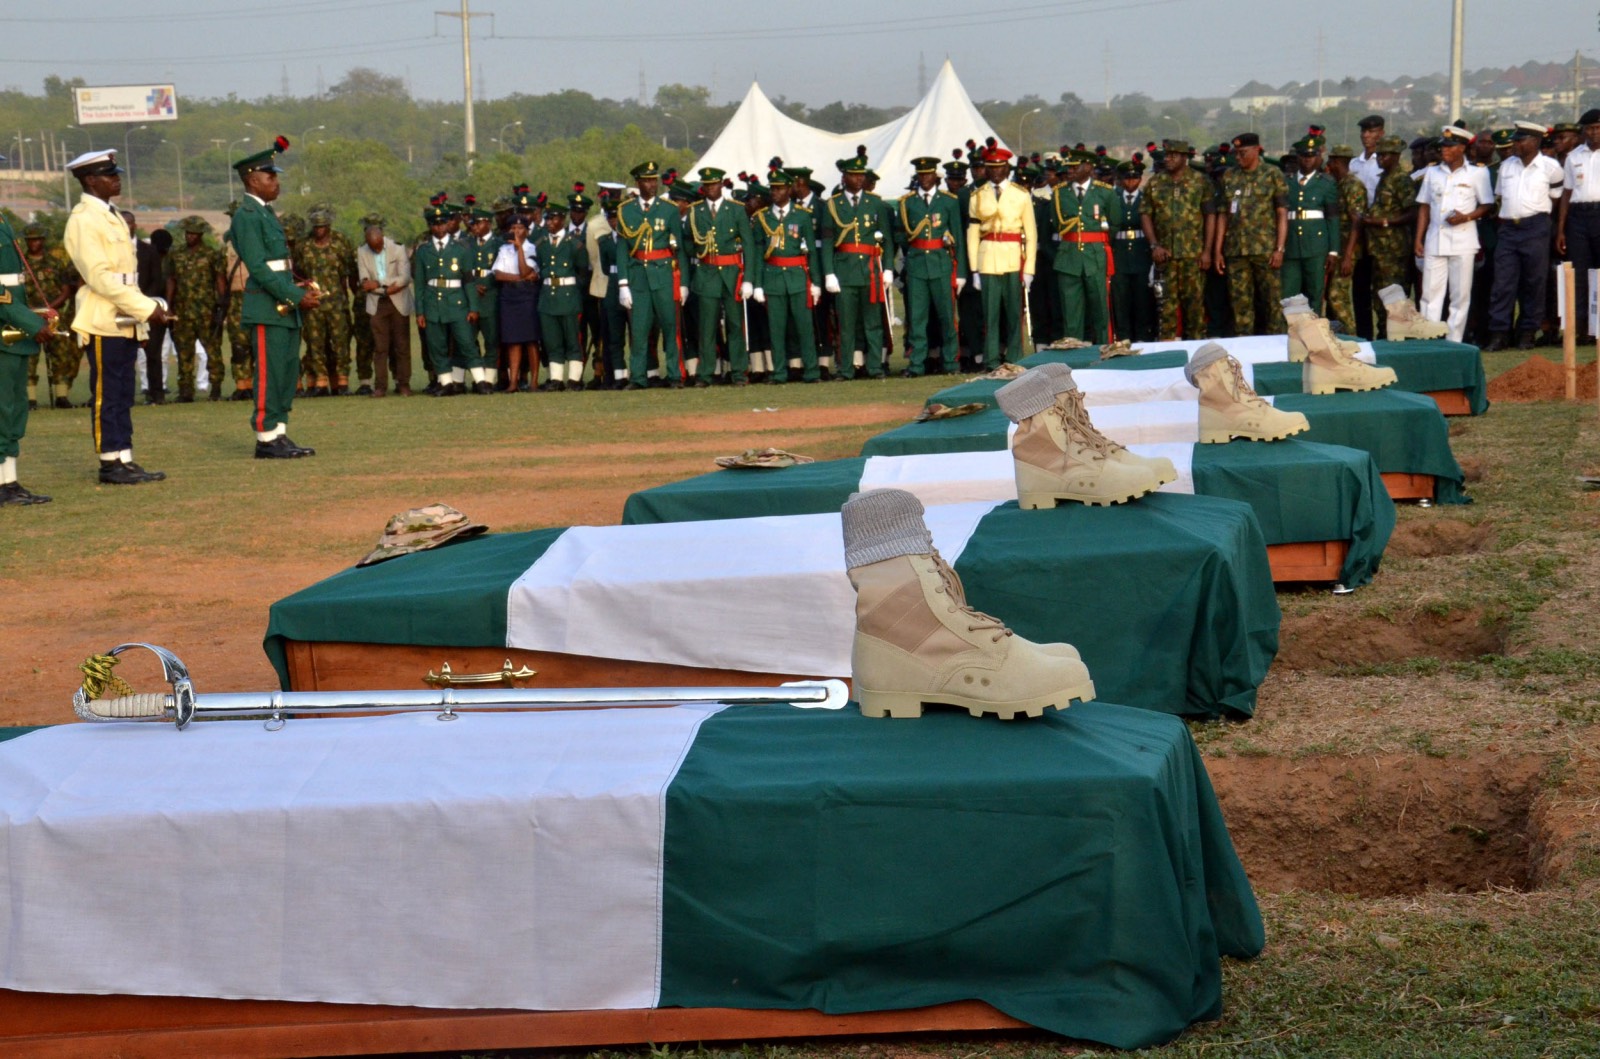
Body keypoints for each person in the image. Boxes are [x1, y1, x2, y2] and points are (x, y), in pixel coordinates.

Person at [62, 149, 170, 484]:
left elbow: (128, 275)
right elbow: (100, 277)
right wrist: (145, 308)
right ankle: (109, 461)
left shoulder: (111, 216)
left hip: (125, 313)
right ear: (90, 180)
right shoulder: (83, 219)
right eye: (109, 175)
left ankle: (124, 456)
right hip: (103, 316)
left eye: (116, 173)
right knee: (107, 393)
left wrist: (145, 306)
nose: (116, 179)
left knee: (124, 391)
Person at [231, 136, 321, 457]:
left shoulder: (266, 213)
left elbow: (280, 264)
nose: (276, 182)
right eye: (271, 176)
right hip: (267, 306)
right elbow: (258, 266)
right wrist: (295, 296)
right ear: (253, 180)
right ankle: (266, 438)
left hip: (283, 303)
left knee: (286, 370)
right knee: (269, 373)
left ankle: (279, 433)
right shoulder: (247, 216)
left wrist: (299, 287)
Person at [1485, 122, 1565, 351]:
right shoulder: (1507, 166)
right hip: (1509, 228)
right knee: (1503, 283)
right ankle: (1499, 333)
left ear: (1535, 142)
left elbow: (1556, 197)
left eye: (1521, 140)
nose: (1516, 144)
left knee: (1534, 282)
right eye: (1516, 140)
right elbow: (1499, 194)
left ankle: (1527, 332)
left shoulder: (1550, 167)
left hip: (1535, 226)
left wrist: (1540, 218)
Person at [1413, 125, 1494, 343]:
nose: (1444, 151)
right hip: (1435, 239)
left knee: (1459, 296)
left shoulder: (1477, 172)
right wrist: (1418, 238)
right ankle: (1429, 339)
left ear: (1461, 148)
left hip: (1463, 240)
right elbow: (1424, 206)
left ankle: (1454, 340)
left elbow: (1487, 204)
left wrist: (1466, 217)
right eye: (1443, 147)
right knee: (1430, 294)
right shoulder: (1432, 172)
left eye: (1449, 147)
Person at [616, 160, 689, 389]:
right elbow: (622, 248)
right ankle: (638, 377)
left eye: (654, 180)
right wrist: (623, 283)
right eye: (647, 181)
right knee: (639, 330)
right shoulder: (626, 210)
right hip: (638, 275)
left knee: (670, 326)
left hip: (664, 274)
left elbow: (680, 250)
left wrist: (683, 282)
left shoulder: (669, 210)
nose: (652, 185)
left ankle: (675, 375)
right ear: (638, 183)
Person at [820, 150, 893, 379]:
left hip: (870, 270)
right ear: (844, 177)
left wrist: (888, 268)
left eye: (861, 175)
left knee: (873, 323)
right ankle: (846, 368)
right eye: (853, 174)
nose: (859, 179)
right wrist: (829, 274)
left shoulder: (875, 203)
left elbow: (887, 239)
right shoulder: (833, 204)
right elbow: (828, 241)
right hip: (844, 270)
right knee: (847, 324)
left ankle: (874, 367)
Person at [0, 211, 56, 504]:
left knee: (15, 409)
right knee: (2, 410)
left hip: (13, 328)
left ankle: (8, 482)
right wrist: (31, 323)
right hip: (6, 325)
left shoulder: (2, 221)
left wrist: (32, 316)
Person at [893, 156, 965, 377]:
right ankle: (917, 364)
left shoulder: (948, 201)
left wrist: (960, 273)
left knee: (946, 316)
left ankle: (951, 362)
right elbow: (900, 233)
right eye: (921, 175)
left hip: (941, 264)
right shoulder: (907, 203)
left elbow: (958, 237)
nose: (925, 178)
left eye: (928, 174)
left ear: (936, 176)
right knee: (917, 318)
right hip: (916, 266)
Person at [967, 145, 1036, 367]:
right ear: (986, 170)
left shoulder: (1021, 194)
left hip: (1014, 257)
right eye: (991, 168)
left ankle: (1015, 356)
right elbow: (973, 234)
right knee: (990, 313)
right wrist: (974, 269)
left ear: (1007, 169)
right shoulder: (978, 196)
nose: (996, 172)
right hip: (987, 258)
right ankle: (991, 358)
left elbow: (1031, 234)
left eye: (1000, 168)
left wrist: (1029, 269)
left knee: (1014, 312)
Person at [750, 169, 822, 384]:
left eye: (780, 188)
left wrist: (816, 282)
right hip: (772, 277)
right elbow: (757, 253)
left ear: (789, 190)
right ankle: (779, 372)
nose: (775, 192)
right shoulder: (762, 217)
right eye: (772, 188)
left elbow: (811, 251)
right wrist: (758, 284)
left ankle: (811, 371)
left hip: (798, 277)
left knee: (804, 328)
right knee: (776, 329)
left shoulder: (801, 216)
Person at [687, 166, 755, 387]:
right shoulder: (695, 211)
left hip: (732, 274)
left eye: (714, 184)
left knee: (736, 325)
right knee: (707, 327)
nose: (711, 189)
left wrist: (748, 279)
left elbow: (749, 246)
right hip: (707, 274)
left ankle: (738, 372)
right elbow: (688, 241)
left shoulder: (736, 210)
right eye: (707, 185)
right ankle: (705, 374)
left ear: (721, 185)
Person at [1215, 132, 1289, 334]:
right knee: (1240, 305)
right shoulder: (1230, 176)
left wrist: (1280, 248)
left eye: (1243, 153)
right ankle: (1244, 348)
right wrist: (1217, 251)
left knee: (1272, 303)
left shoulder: (1273, 174)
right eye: (1236, 154)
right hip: (1235, 250)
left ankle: (1278, 345)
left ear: (1257, 150)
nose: (1238, 158)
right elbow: (1223, 215)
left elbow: (1282, 213)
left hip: (1265, 250)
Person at [1140, 139, 1211, 339]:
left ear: (1184, 157)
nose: (1168, 159)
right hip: (1166, 257)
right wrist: (1154, 245)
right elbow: (1145, 214)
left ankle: (1197, 357)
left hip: (1193, 257)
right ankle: (1168, 357)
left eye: (1173, 155)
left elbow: (1210, 215)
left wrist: (1207, 251)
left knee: (1195, 311)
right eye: (1167, 155)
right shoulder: (1155, 182)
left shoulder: (1200, 181)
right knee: (1166, 312)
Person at [413, 201, 481, 394]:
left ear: (448, 224)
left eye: (442, 223)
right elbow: (419, 284)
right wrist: (420, 311)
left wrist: (473, 307)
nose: (439, 227)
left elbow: (468, 281)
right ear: (430, 226)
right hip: (433, 302)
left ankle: (482, 381)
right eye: (434, 224)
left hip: (457, 301)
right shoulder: (424, 251)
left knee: (466, 342)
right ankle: (446, 383)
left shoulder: (460, 248)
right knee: (437, 345)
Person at [1050, 149, 1118, 343]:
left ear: (1088, 167)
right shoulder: (1060, 192)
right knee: (1071, 312)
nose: (1069, 171)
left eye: (1075, 167)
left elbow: (1114, 223)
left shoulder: (1105, 192)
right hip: (1069, 257)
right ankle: (1074, 355)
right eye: (1069, 167)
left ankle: (1103, 350)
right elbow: (1057, 223)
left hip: (1095, 257)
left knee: (1100, 311)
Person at [162, 216, 226, 402]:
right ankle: (186, 390)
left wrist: (221, 306)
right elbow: (171, 280)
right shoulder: (176, 254)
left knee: (212, 350)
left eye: (194, 234)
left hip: (207, 310)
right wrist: (168, 306)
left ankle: (216, 387)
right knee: (184, 352)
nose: (190, 237)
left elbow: (220, 280)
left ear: (201, 235)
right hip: (183, 311)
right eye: (188, 233)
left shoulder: (212, 254)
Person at [294, 207, 355, 396]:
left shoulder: (340, 242)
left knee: (340, 343)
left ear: (329, 226)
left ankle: (342, 381)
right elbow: (298, 272)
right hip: (313, 304)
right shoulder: (303, 245)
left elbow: (349, 271)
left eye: (323, 226)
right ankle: (321, 381)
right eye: (316, 227)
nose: (319, 230)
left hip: (336, 302)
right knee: (315, 343)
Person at [20, 223, 80, 409]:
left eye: (37, 239)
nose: (34, 243)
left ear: (43, 240)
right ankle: (30, 399)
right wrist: (28, 311)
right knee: (29, 357)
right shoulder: (19, 263)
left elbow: (65, 291)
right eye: (30, 240)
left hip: (54, 317)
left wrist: (49, 309)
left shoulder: (55, 263)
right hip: (26, 316)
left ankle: (62, 396)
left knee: (61, 356)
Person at [1363, 136, 1419, 333]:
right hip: (1378, 249)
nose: (1380, 159)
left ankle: (1397, 333)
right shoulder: (1384, 178)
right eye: (1378, 155)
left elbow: (1412, 212)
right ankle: (1384, 331)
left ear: (1395, 156)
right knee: (1379, 293)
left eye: (1384, 155)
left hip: (1394, 249)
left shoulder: (1401, 179)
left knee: (1394, 294)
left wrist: (1383, 222)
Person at [1280, 138, 1341, 317]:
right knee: (1289, 294)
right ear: (1297, 157)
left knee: (1314, 293)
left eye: (1311, 156)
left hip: (1316, 245)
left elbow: (1332, 218)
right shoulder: (1286, 181)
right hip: (1291, 245)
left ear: (1318, 157)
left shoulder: (1326, 183)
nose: (1307, 160)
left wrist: (1333, 251)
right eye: (1303, 156)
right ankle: (1290, 331)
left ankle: (1315, 332)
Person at [355, 215, 413, 397]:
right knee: (380, 348)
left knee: (402, 345)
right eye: (373, 247)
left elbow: (404, 278)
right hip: (377, 303)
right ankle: (380, 386)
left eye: (379, 246)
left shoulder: (398, 248)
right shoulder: (362, 251)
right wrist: (386, 288)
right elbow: (364, 283)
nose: (376, 249)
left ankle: (403, 384)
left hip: (398, 302)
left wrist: (379, 283)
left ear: (383, 239)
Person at [1557, 109, 1600, 344]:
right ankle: (1582, 330)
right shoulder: (1575, 156)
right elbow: (1566, 193)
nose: (1593, 133)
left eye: (1597, 128)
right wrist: (1561, 229)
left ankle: (1599, 329)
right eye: (1589, 129)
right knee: (1580, 275)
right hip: (1578, 217)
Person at [535, 201, 588, 390]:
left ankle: (574, 379)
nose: (549, 222)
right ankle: (556, 379)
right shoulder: (541, 244)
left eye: (553, 218)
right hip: (548, 297)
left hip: (569, 297)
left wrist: (574, 294)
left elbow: (582, 274)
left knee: (573, 339)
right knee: (552, 340)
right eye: (547, 218)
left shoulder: (574, 244)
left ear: (562, 219)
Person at [492, 213, 540, 393]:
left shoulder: (532, 248)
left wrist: (520, 249)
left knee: (531, 339)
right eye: (512, 228)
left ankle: (534, 382)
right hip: (509, 295)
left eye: (520, 228)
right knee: (512, 340)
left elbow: (526, 268)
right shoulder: (504, 249)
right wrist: (520, 278)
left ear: (527, 231)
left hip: (527, 295)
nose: (516, 231)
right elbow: (498, 275)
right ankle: (513, 382)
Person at [1324, 145, 1367, 335]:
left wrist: (1348, 255)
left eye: (1330, 161)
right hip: (1337, 248)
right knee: (1333, 297)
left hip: (1348, 250)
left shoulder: (1352, 185)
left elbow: (1357, 221)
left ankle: (1351, 337)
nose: (1328, 165)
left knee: (1337, 295)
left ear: (1336, 162)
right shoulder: (1337, 184)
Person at [463, 197, 502, 391]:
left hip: (490, 297)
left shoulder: (498, 243)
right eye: (472, 223)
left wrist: (485, 283)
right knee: (468, 340)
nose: (474, 227)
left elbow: (502, 270)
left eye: (477, 223)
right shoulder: (466, 243)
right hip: (471, 298)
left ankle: (489, 379)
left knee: (491, 340)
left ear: (487, 222)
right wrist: (472, 285)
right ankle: (476, 378)